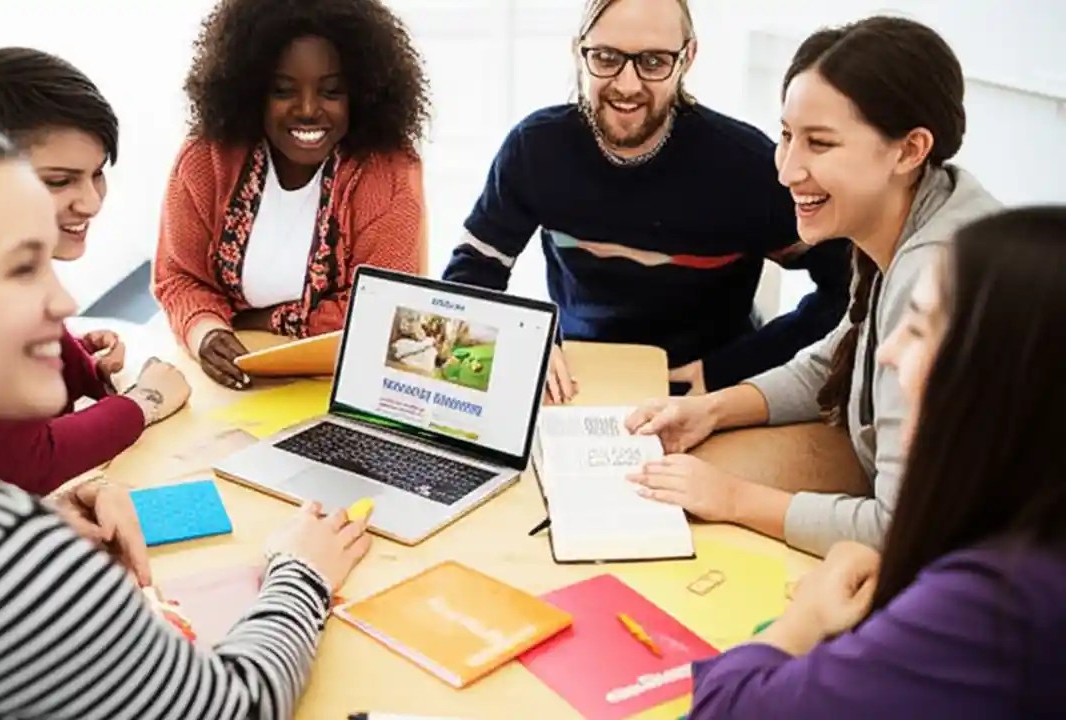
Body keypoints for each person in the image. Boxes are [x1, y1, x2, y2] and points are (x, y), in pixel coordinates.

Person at [0, 121, 370, 717]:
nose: (63, 303)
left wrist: (43, 521)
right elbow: (234, 707)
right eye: (20, 270)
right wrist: (302, 573)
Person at [624, 16, 1001, 557]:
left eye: (820, 144)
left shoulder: (935, 279)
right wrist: (714, 407)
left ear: (910, 149)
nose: (786, 171)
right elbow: (838, 361)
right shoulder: (920, 206)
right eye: (786, 136)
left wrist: (733, 499)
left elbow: (902, 529)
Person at [688, 206, 1066, 718]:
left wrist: (808, 616)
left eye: (917, 329)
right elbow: (836, 354)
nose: (886, 354)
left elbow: (729, 709)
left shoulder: (994, 606)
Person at [442, 0, 851, 401]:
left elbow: (848, 289)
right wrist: (520, 341)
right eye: (605, 58)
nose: (627, 85)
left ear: (687, 58)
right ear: (577, 51)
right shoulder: (535, 150)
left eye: (653, 62)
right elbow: (472, 272)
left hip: (709, 395)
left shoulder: (747, 167)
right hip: (580, 386)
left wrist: (735, 369)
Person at [154, 0, 431, 389]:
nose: (306, 109)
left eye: (332, 91)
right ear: (252, 91)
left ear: (361, 93)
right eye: (283, 90)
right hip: (228, 383)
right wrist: (207, 332)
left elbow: (384, 308)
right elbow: (179, 276)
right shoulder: (207, 158)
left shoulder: (388, 170)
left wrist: (265, 320)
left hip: (343, 383)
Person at [0, 47, 191, 494]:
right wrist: (145, 401)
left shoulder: (7, 258)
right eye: (60, 181)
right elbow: (27, 464)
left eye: (97, 174)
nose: (92, 202)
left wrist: (78, 359)